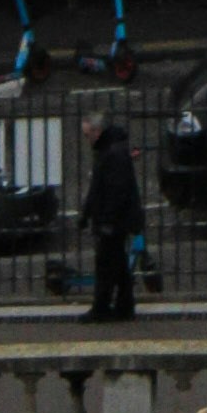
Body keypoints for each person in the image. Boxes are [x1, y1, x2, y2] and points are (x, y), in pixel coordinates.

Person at [81, 113, 143, 326]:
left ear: (97, 132)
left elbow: (113, 190)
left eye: (88, 135)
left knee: (106, 264)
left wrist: (103, 219)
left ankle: (102, 308)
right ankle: (124, 306)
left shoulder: (111, 153)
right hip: (116, 219)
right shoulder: (111, 150)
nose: (87, 139)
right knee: (117, 264)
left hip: (113, 220)